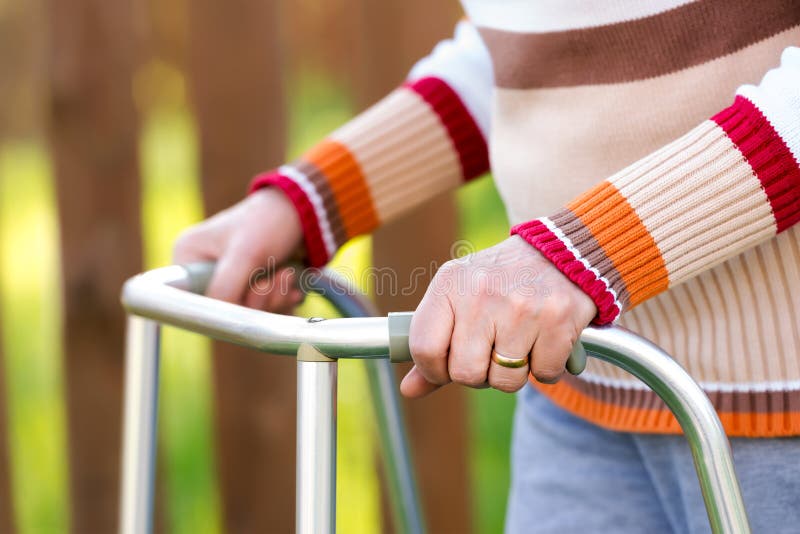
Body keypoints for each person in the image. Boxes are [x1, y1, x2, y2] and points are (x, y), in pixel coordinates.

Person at [174, 2, 800, 532]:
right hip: (579, 390)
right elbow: (520, 56)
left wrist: (589, 250)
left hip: (779, 408)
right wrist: (309, 201)